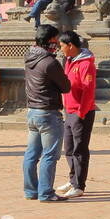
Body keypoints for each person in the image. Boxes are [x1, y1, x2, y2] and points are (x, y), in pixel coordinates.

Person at [23, 25, 71, 202]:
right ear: (50, 41)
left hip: (32, 111)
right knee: (50, 155)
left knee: (31, 154)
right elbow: (66, 87)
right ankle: (46, 192)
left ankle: (30, 191)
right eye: (56, 40)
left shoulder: (29, 57)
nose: (57, 44)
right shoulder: (50, 62)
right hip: (48, 112)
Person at [55, 30, 97, 198]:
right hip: (69, 110)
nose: (61, 49)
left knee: (79, 149)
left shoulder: (86, 64)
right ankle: (73, 179)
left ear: (70, 46)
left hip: (82, 112)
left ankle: (79, 185)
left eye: (62, 46)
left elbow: (88, 90)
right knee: (69, 148)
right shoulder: (69, 61)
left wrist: (81, 112)